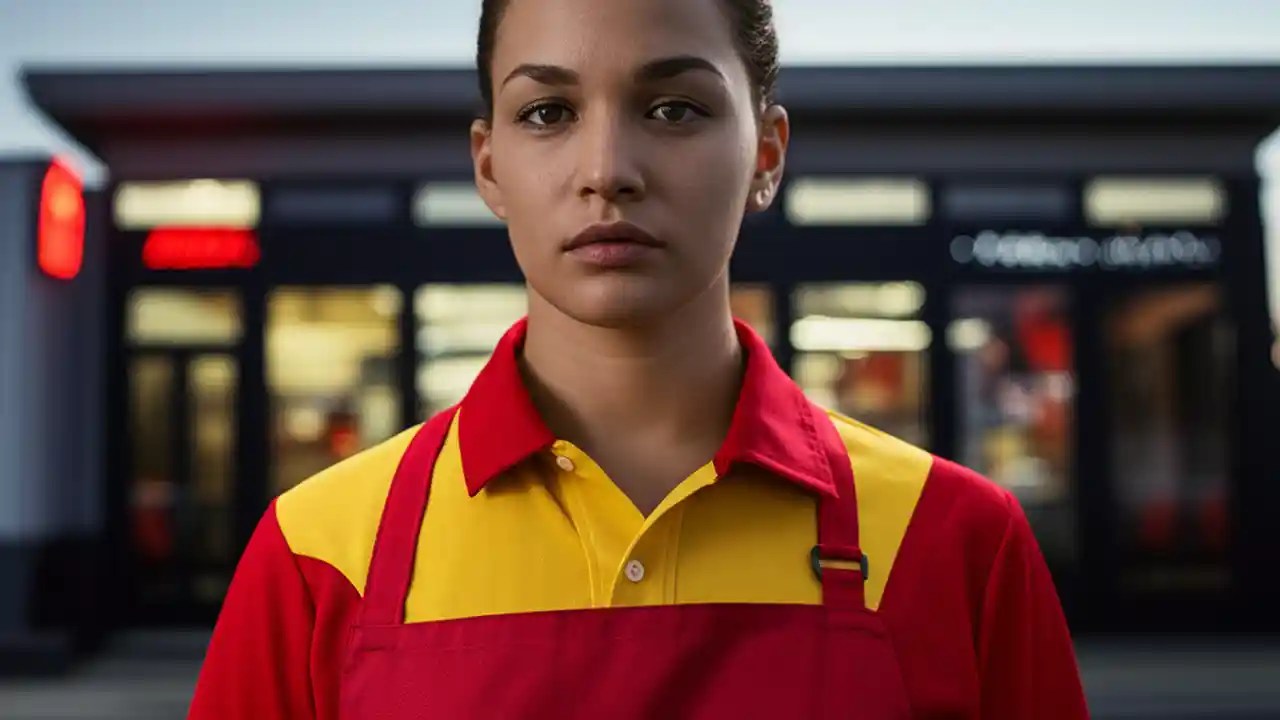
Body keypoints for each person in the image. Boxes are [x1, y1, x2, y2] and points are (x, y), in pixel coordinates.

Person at [188, 0, 1089, 717]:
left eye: (673, 109)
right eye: (548, 112)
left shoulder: (958, 541)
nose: (607, 169)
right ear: (490, 166)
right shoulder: (318, 554)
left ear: (766, 154)